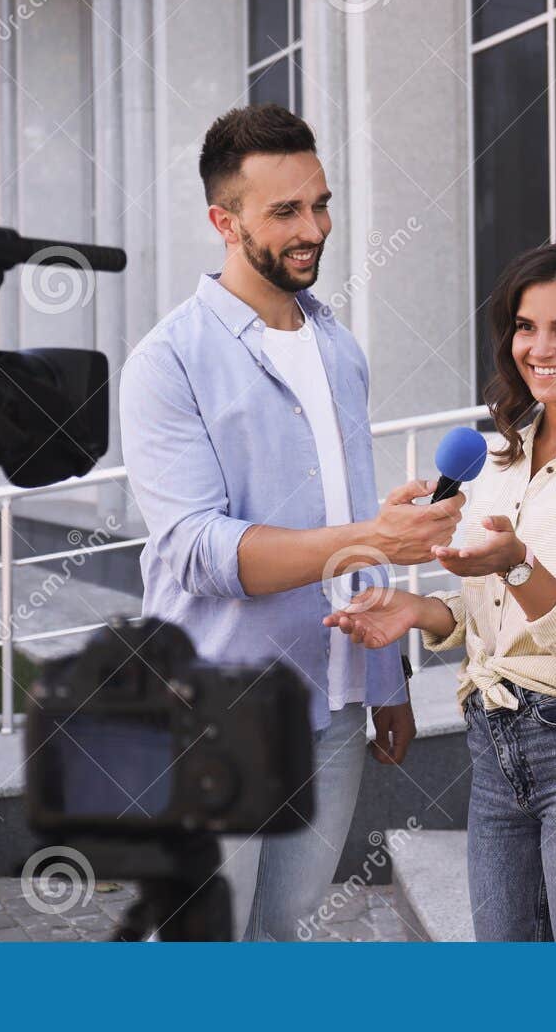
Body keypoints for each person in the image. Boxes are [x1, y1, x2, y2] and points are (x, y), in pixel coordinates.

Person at [119, 103, 464, 939]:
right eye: (284, 212)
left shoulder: (339, 347)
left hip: (340, 705)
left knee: (283, 933)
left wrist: (389, 681)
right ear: (223, 220)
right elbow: (200, 551)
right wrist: (373, 540)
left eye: (321, 203)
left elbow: (354, 516)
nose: (313, 228)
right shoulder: (167, 362)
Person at [324, 238, 556, 941]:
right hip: (494, 745)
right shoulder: (500, 460)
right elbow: (490, 612)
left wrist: (516, 562)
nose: (538, 347)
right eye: (525, 326)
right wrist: (417, 610)